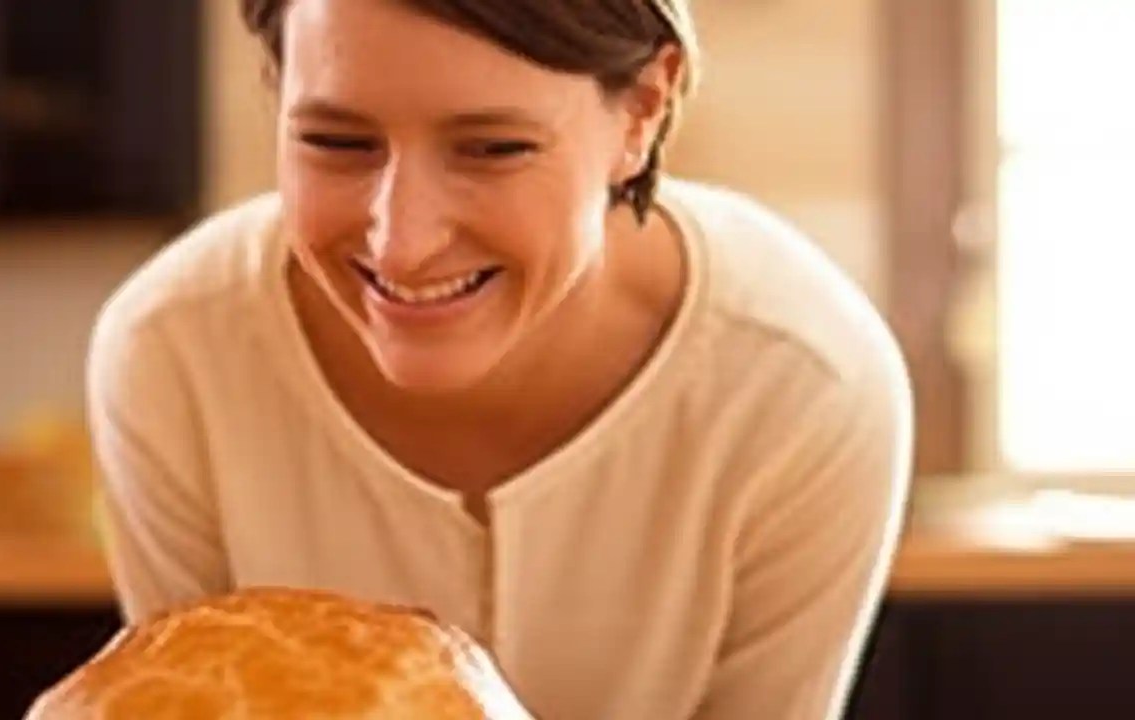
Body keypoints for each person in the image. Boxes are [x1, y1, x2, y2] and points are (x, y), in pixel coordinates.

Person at [85, 0, 914, 717]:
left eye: (493, 149)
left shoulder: (804, 387)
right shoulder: (174, 356)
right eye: (337, 141)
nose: (402, 243)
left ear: (644, 112)